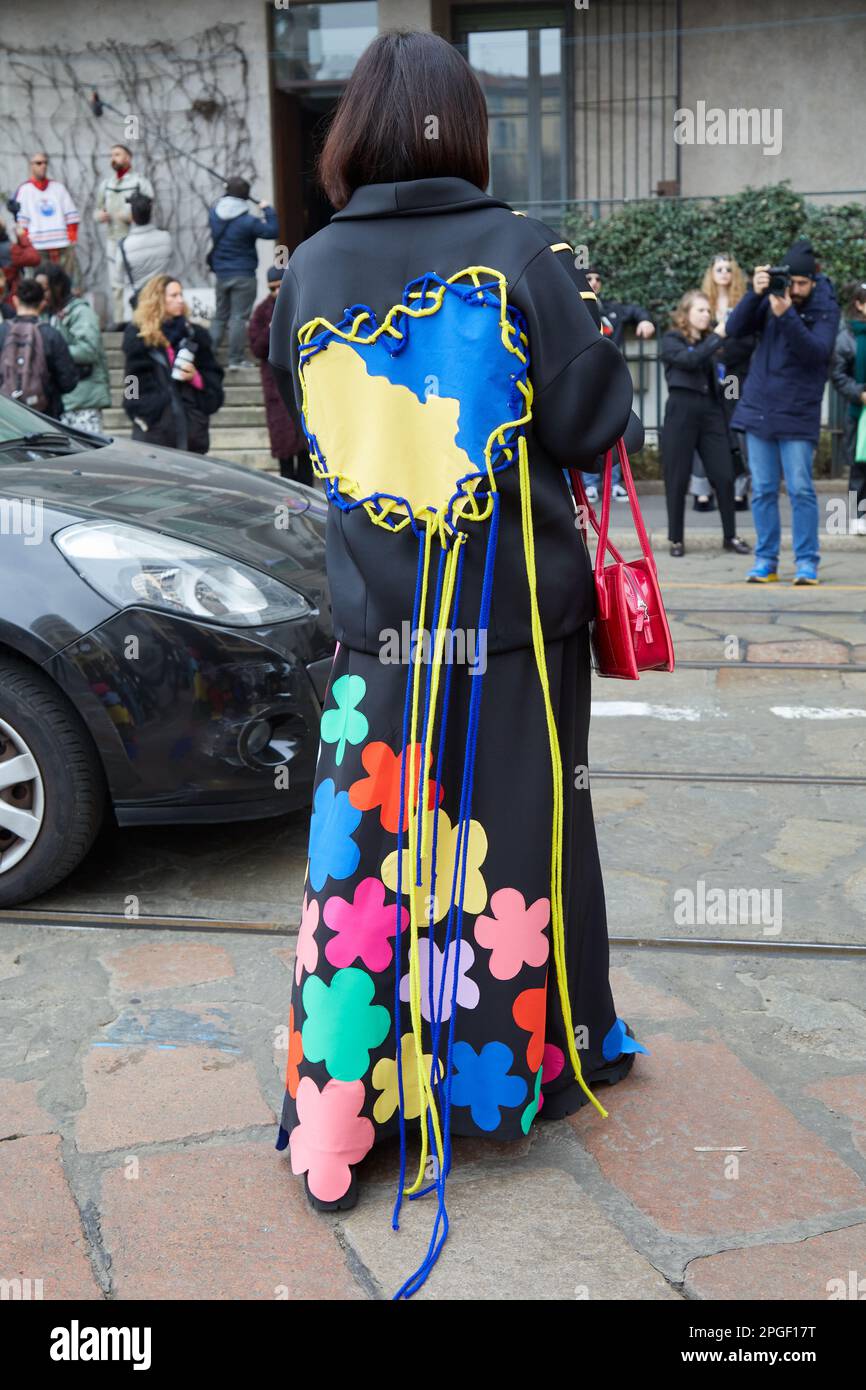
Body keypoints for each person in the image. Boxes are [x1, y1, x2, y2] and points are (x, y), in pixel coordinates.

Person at [268, 28, 646, 1299]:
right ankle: (528, 1060)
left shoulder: (309, 269)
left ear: (350, 138)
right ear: (466, 129)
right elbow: (592, 424)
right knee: (530, 849)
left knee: (362, 869)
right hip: (515, 639)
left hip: (373, 638)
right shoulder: (520, 252)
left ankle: (344, 1102)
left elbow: (298, 440)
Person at [726, 238, 840, 584]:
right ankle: (766, 561)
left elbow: (817, 353)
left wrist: (787, 315)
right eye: (793, 282)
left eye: (803, 283)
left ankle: (807, 562)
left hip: (798, 411)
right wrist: (754, 293)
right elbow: (734, 330)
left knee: (801, 490)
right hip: (760, 408)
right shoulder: (771, 296)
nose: (797, 289)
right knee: (762, 490)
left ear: (813, 280)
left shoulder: (826, 307)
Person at [659, 290, 750, 557]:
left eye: (708, 311)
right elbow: (689, 360)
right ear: (685, 313)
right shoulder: (671, 340)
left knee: (724, 475)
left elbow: (735, 357)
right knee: (677, 477)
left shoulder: (712, 343)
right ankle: (676, 539)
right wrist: (716, 338)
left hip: (711, 410)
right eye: (700, 310)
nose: (706, 314)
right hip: (681, 408)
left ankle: (730, 536)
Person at [122, 274, 223, 453]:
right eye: (174, 296)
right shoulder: (140, 338)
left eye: (181, 295)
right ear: (158, 299)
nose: (180, 300)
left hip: (192, 430)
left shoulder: (195, 335)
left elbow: (214, 376)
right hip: (154, 433)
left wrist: (196, 377)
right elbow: (132, 381)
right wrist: (141, 412)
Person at [581, 265, 655, 501]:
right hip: (584, 376)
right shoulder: (575, 307)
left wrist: (645, 320)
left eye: (597, 278)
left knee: (613, 427)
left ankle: (613, 483)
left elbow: (637, 310)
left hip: (612, 377)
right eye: (589, 277)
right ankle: (589, 484)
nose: (594, 282)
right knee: (587, 428)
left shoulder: (613, 309)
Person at [692, 253, 754, 511]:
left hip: (733, 376)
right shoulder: (702, 302)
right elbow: (695, 338)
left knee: (735, 430)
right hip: (706, 376)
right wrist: (713, 348)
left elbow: (749, 341)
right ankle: (701, 491)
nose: (724, 273)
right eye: (719, 269)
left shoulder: (743, 304)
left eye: (728, 269)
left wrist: (721, 350)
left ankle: (738, 491)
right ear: (712, 273)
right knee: (704, 429)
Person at [248, 267, 312, 483]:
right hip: (276, 388)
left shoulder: (301, 303)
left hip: (303, 383)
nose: (276, 292)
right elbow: (256, 348)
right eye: (272, 288)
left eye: (280, 287)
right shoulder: (262, 311)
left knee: (306, 451)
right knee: (285, 453)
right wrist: (271, 329)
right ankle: (289, 497)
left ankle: (307, 495)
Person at [208, 177, 279, 370]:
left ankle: (209, 354)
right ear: (246, 197)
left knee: (220, 316)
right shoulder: (248, 222)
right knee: (238, 317)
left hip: (222, 274)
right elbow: (272, 231)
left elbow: (221, 201)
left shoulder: (214, 215)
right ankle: (236, 359)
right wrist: (268, 210)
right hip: (244, 275)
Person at [38, 263, 111, 435]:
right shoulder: (47, 315)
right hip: (60, 402)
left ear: (58, 286)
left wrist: (54, 352)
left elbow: (89, 350)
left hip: (83, 402)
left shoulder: (81, 312)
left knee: (87, 451)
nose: (42, 294)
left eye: (45, 289)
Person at [94, 145, 155, 330]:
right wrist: (100, 216)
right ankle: (120, 320)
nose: (113, 158)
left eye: (118, 154)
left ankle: (142, 320)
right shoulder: (106, 184)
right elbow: (97, 210)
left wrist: (131, 215)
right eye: (112, 155)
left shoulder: (139, 182)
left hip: (135, 239)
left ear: (128, 157)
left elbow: (148, 208)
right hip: (113, 239)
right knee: (116, 282)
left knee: (139, 281)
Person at [0, 275, 78, 418]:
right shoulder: (51, 335)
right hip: (45, 417)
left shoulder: (2, 332)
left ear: (15, 301)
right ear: (42, 303)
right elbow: (68, 382)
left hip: (7, 417)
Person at [830, 280, 866, 535]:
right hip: (859, 412)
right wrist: (859, 393)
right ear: (859, 305)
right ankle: (859, 516)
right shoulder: (847, 337)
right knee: (860, 468)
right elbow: (838, 375)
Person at [12, 153, 80, 285]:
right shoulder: (25, 189)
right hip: (38, 247)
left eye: (45, 163)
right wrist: (27, 246)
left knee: (64, 283)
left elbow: (71, 216)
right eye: (38, 163)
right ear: (31, 166)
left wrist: (71, 239)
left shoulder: (58, 188)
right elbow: (21, 223)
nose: (43, 166)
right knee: (39, 285)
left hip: (62, 245)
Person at [117, 194, 173, 315]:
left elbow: (119, 277)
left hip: (136, 305)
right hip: (161, 300)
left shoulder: (124, 245)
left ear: (132, 216)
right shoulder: (166, 238)